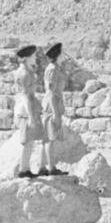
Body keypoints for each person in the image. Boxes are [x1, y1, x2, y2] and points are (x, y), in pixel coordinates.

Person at [12, 45, 45, 179]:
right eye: (33, 56)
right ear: (26, 58)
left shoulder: (26, 71)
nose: (36, 58)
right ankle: (23, 169)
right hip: (25, 110)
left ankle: (25, 168)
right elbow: (26, 96)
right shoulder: (24, 74)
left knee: (30, 140)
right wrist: (31, 116)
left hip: (28, 107)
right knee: (27, 140)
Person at [40, 41, 67, 175]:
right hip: (52, 105)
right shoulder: (52, 69)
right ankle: (51, 168)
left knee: (48, 138)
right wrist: (56, 113)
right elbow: (50, 92)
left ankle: (44, 167)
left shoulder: (55, 68)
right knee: (50, 138)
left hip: (54, 104)